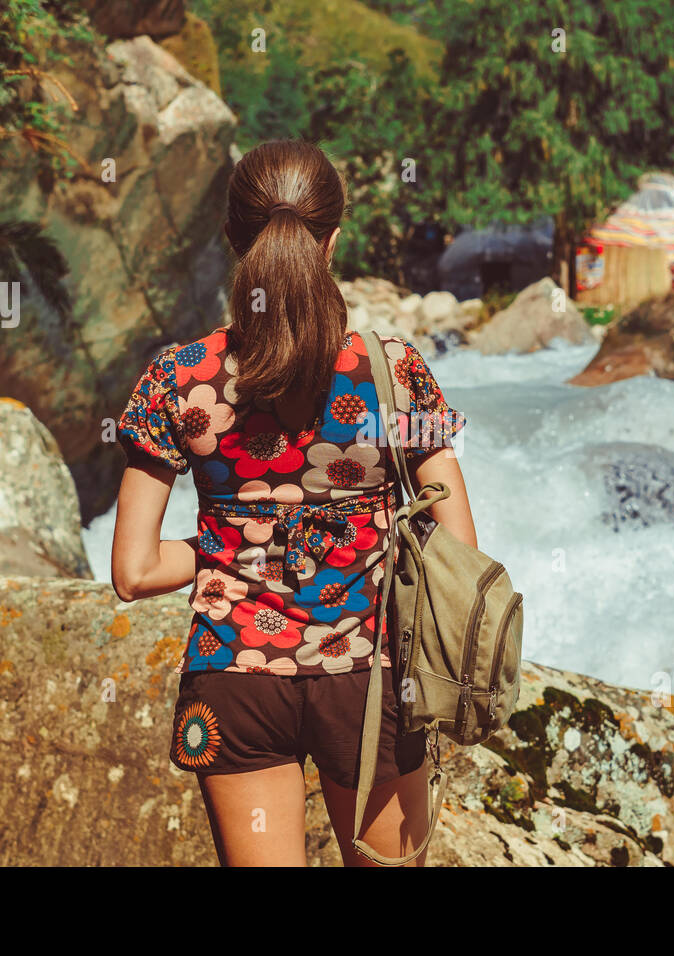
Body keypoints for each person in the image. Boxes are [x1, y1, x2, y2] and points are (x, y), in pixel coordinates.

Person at [109, 139, 476, 867]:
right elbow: (457, 550)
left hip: (235, 679)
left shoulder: (180, 378)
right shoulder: (393, 371)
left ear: (233, 240)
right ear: (333, 240)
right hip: (368, 682)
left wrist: (228, 543)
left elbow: (135, 572)